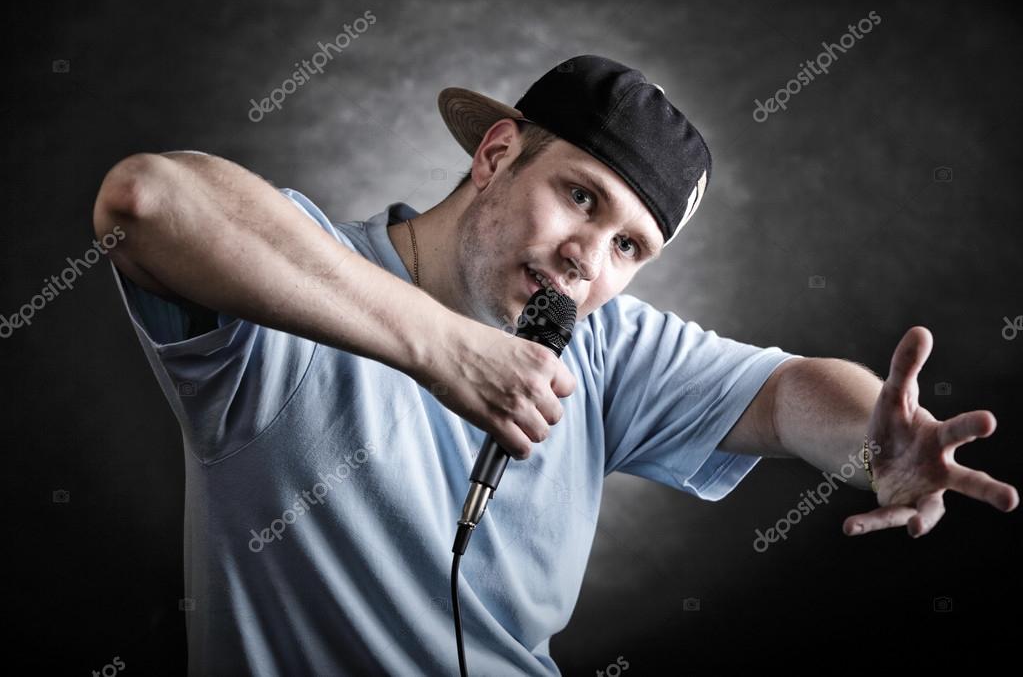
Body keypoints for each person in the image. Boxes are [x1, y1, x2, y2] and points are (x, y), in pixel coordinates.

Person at [92, 55, 1018, 676]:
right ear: (496, 154)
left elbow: (785, 395)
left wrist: (871, 441)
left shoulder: (602, 343)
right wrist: (439, 346)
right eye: (581, 198)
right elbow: (147, 199)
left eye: (628, 248)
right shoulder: (296, 274)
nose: (589, 260)